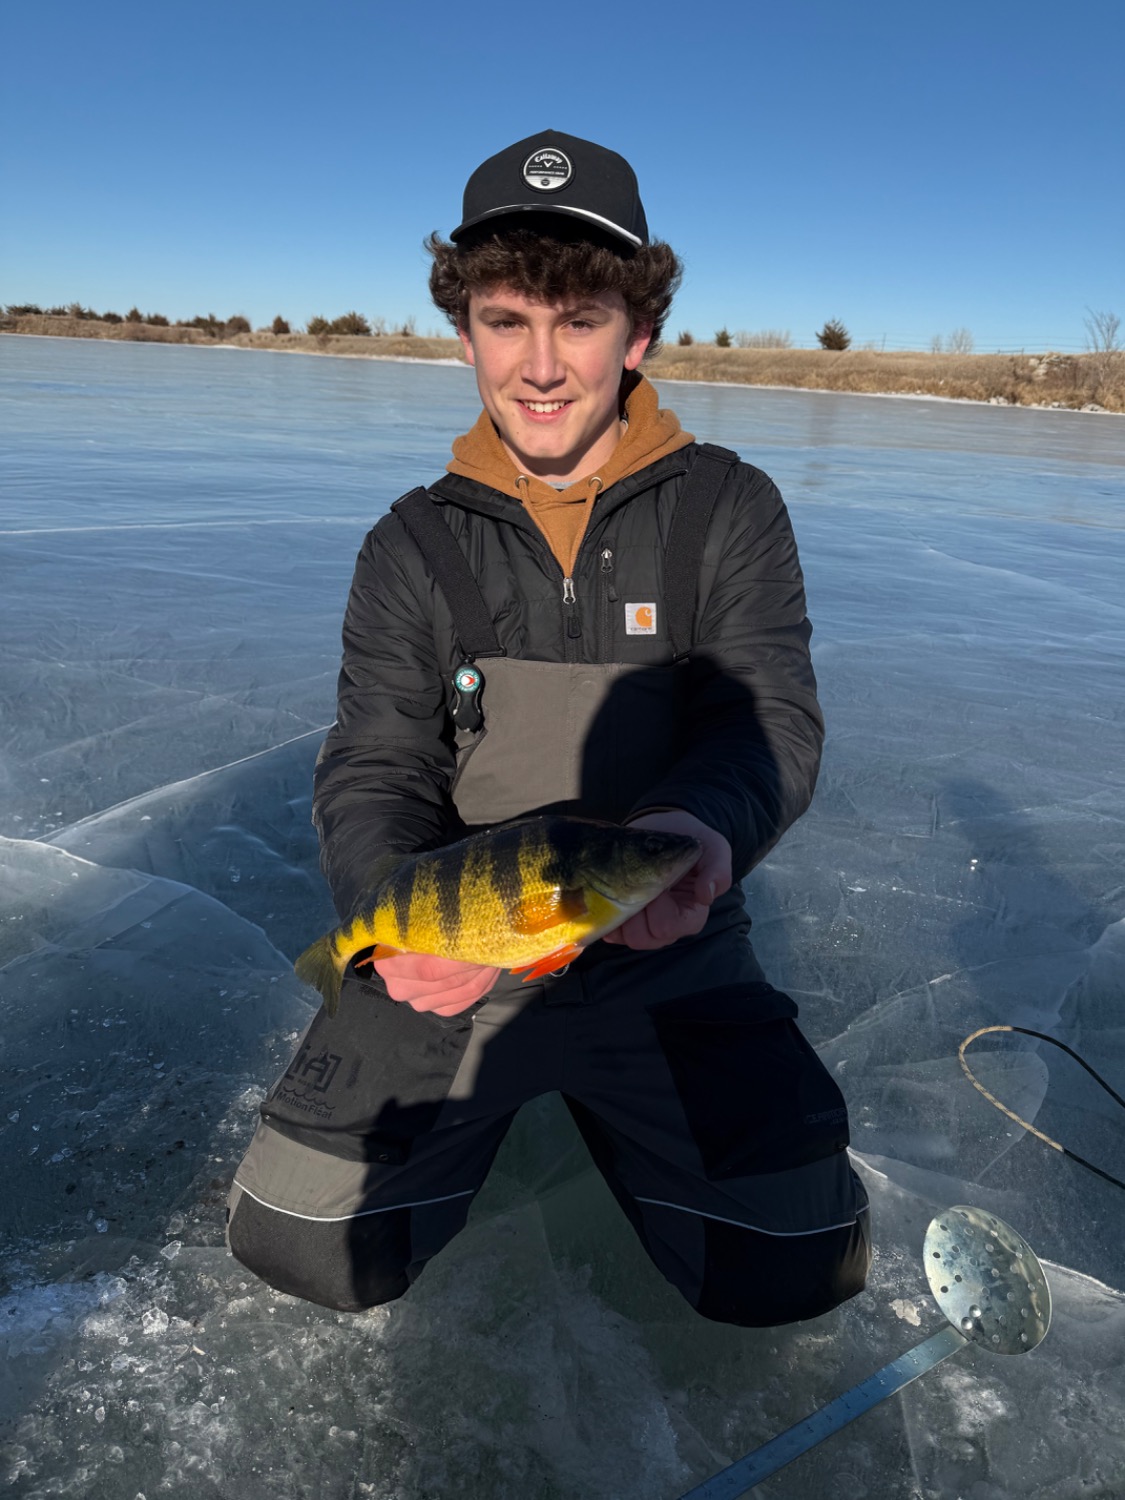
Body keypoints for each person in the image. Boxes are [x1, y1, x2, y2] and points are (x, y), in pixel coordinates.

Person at [227, 129, 871, 1324]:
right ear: (463, 334)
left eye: (577, 320)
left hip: (669, 933)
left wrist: (699, 832)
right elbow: (375, 762)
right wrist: (392, 914)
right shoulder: (412, 543)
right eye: (505, 320)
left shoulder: (729, 507)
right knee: (307, 1241)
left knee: (793, 1259)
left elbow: (769, 719)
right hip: (470, 942)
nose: (539, 365)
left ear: (639, 334)